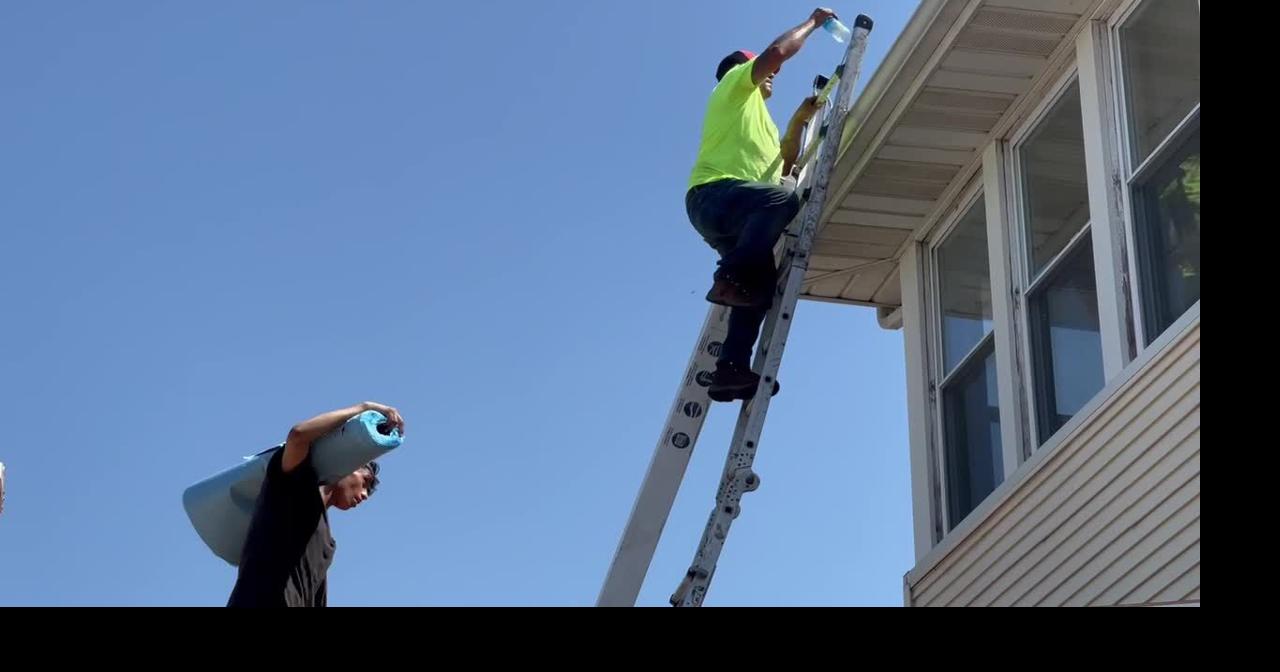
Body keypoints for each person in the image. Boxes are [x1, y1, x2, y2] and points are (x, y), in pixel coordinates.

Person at [685, 8, 838, 402]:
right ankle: (728, 276)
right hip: (715, 197)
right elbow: (777, 53)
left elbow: (783, 162)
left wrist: (801, 122)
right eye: (761, 68)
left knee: (759, 288)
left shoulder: (759, 122)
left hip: (734, 215)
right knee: (782, 200)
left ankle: (730, 369)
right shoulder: (734, 87)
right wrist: (813, 23)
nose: (772, 74)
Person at [227, 401, 404, 607]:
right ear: (350, 466)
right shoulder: (294, 486)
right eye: (365, 482)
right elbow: (298, 435)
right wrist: (363, 408)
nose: (364, 495)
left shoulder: (327, 543)